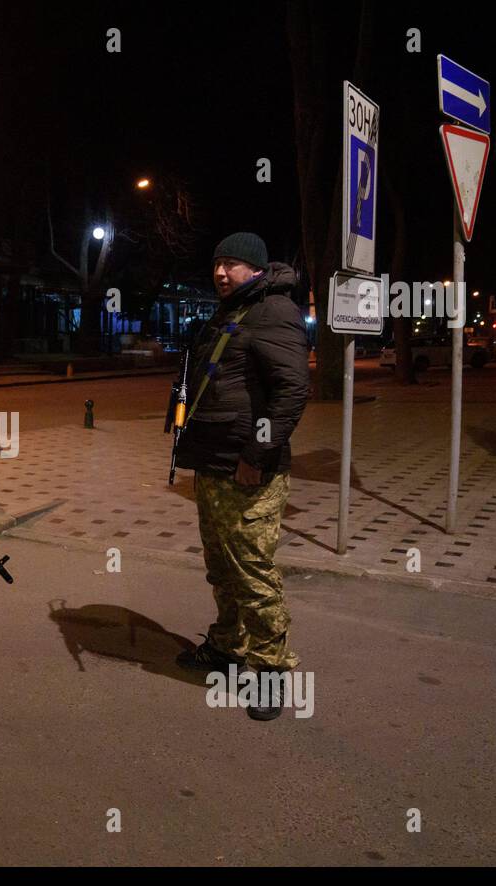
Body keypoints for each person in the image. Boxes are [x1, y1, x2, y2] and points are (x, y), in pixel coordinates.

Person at [173, 232, 310, 719]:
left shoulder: (273, 311)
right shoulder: (231, 311)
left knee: (251, 572)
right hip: (213, 465)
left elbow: (292, 391)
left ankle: (272, 671)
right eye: (216, 263)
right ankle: (228, 649)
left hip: (247, 469)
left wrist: (256, 453)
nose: (220, 272)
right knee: (222, 567)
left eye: (231, 264)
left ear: (255, 268)